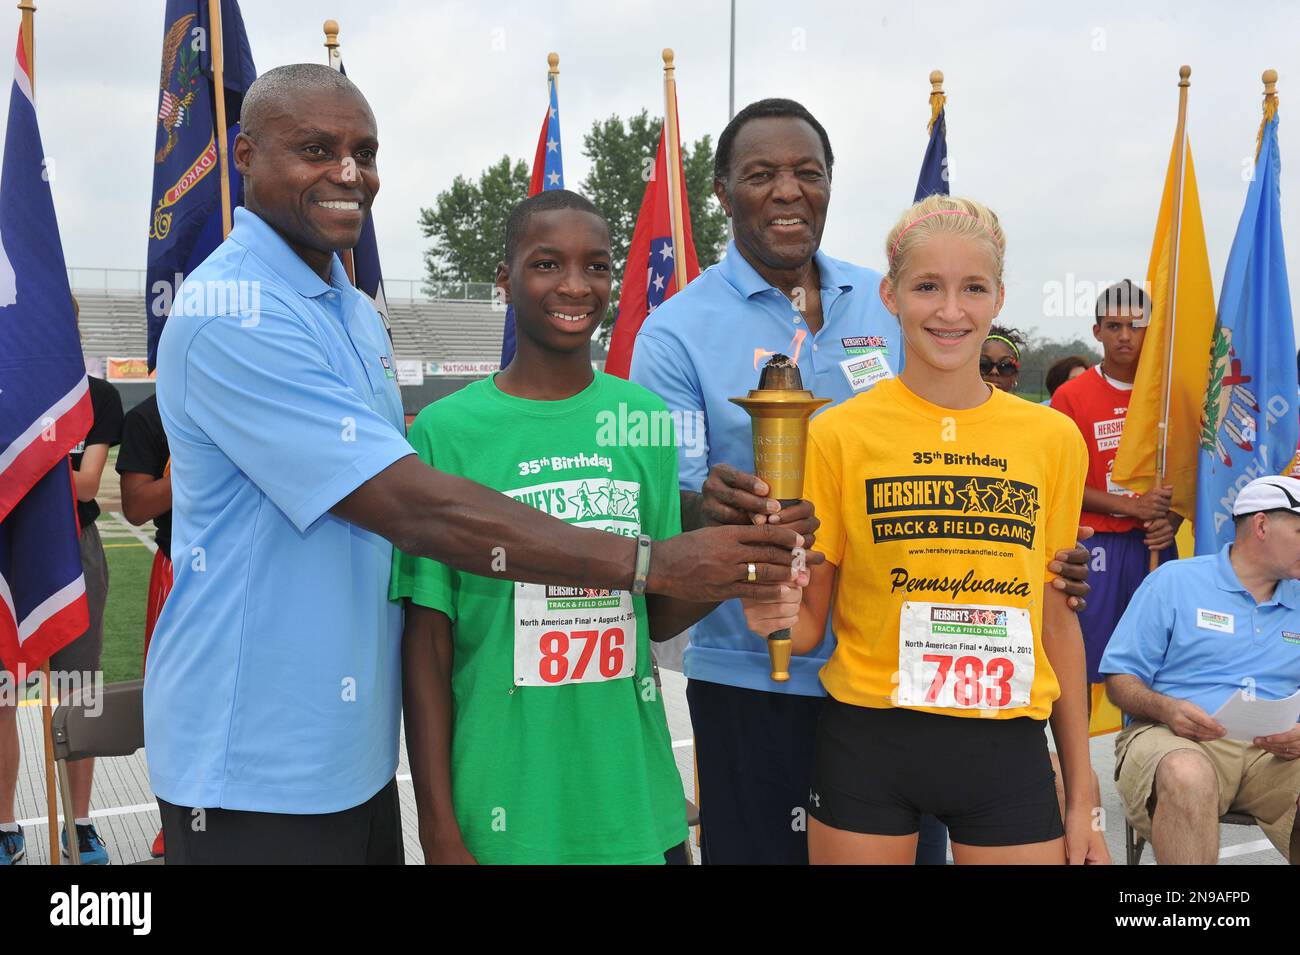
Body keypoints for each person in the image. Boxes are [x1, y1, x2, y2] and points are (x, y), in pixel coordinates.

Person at [146, 64, 801, 865]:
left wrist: (705, 520)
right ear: (245, 154)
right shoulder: (235, 312)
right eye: (316, 149)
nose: (349, 173)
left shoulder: (348, 306)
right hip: (251, 764)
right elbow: (412, 509)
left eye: (364, 151)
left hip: (349, 760)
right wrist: (651, 560)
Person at [630, 98, 1093, 865]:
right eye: (761, 174)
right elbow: (672, 503)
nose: (787, 191)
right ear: (721, 191)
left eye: (807, 173)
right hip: (760, 675)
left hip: (918, 685)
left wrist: (1034, 560)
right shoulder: (677, 331)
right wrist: (740, 526)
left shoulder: (885, 296)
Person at [741, 194, 1107, 864]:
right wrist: (762, 593)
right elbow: (806, 624)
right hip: (870, 744)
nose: (949, 310)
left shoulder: (1053, 438)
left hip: (1008, 746)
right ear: (890, 294)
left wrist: (1083, 798)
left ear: (999, 298)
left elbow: (1058, 620)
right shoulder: (837, 433)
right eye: (927, 287)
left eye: (972, 288)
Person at [393, 191, 751, 864]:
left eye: (596, 265)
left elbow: (659, 610)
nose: (575, 286)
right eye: (547, 263)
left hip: (635, 805)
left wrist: (744, 556)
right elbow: (428, 644)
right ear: (504, 279)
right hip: (504, 810)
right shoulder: (446, 431)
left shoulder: (643, 419)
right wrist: (437, 825)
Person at [1102, 475, 1300, 864]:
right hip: (1175, 738)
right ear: (1261, 526)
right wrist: (1167, 709)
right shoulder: (1174, 581)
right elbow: (1119, 680)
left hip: (1273, 755)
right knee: (1187, 774)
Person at [0, 307, 122, 866]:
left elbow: (89, 484)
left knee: (80, 687)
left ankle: (80, 823)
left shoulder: (97, 397)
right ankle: (6, 826)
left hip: (76, 546)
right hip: (11, 546)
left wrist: (27, 462)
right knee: (4, 692)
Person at [1051, 281, 1177, 687]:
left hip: (1152, 544)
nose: (1125, 335)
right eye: (1114, 325)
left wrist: (1169, 520)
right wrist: (1131, 507)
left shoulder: (1169, 395)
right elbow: (1062, 483)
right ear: (1097, 331)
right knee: (1083, 659)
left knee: (1156, 662)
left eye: (1136, 325)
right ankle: (1076, 753)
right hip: (1098, 545)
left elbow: (1191, 471)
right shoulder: (1072, 396)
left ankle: (1141, 749)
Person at [115, 390, 173, 859]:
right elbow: (135, 506)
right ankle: (176, 819)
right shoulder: (148, 416)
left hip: (252, 567)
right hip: (182, 569)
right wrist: (201, 465)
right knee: (174, 701)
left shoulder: (249, 394)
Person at [980, 324, 1026, 393]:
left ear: (1015, 375)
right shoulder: (958, 403)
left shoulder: (1024, 404)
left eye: (1005, 366)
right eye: (984, 365)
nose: (994, 371)